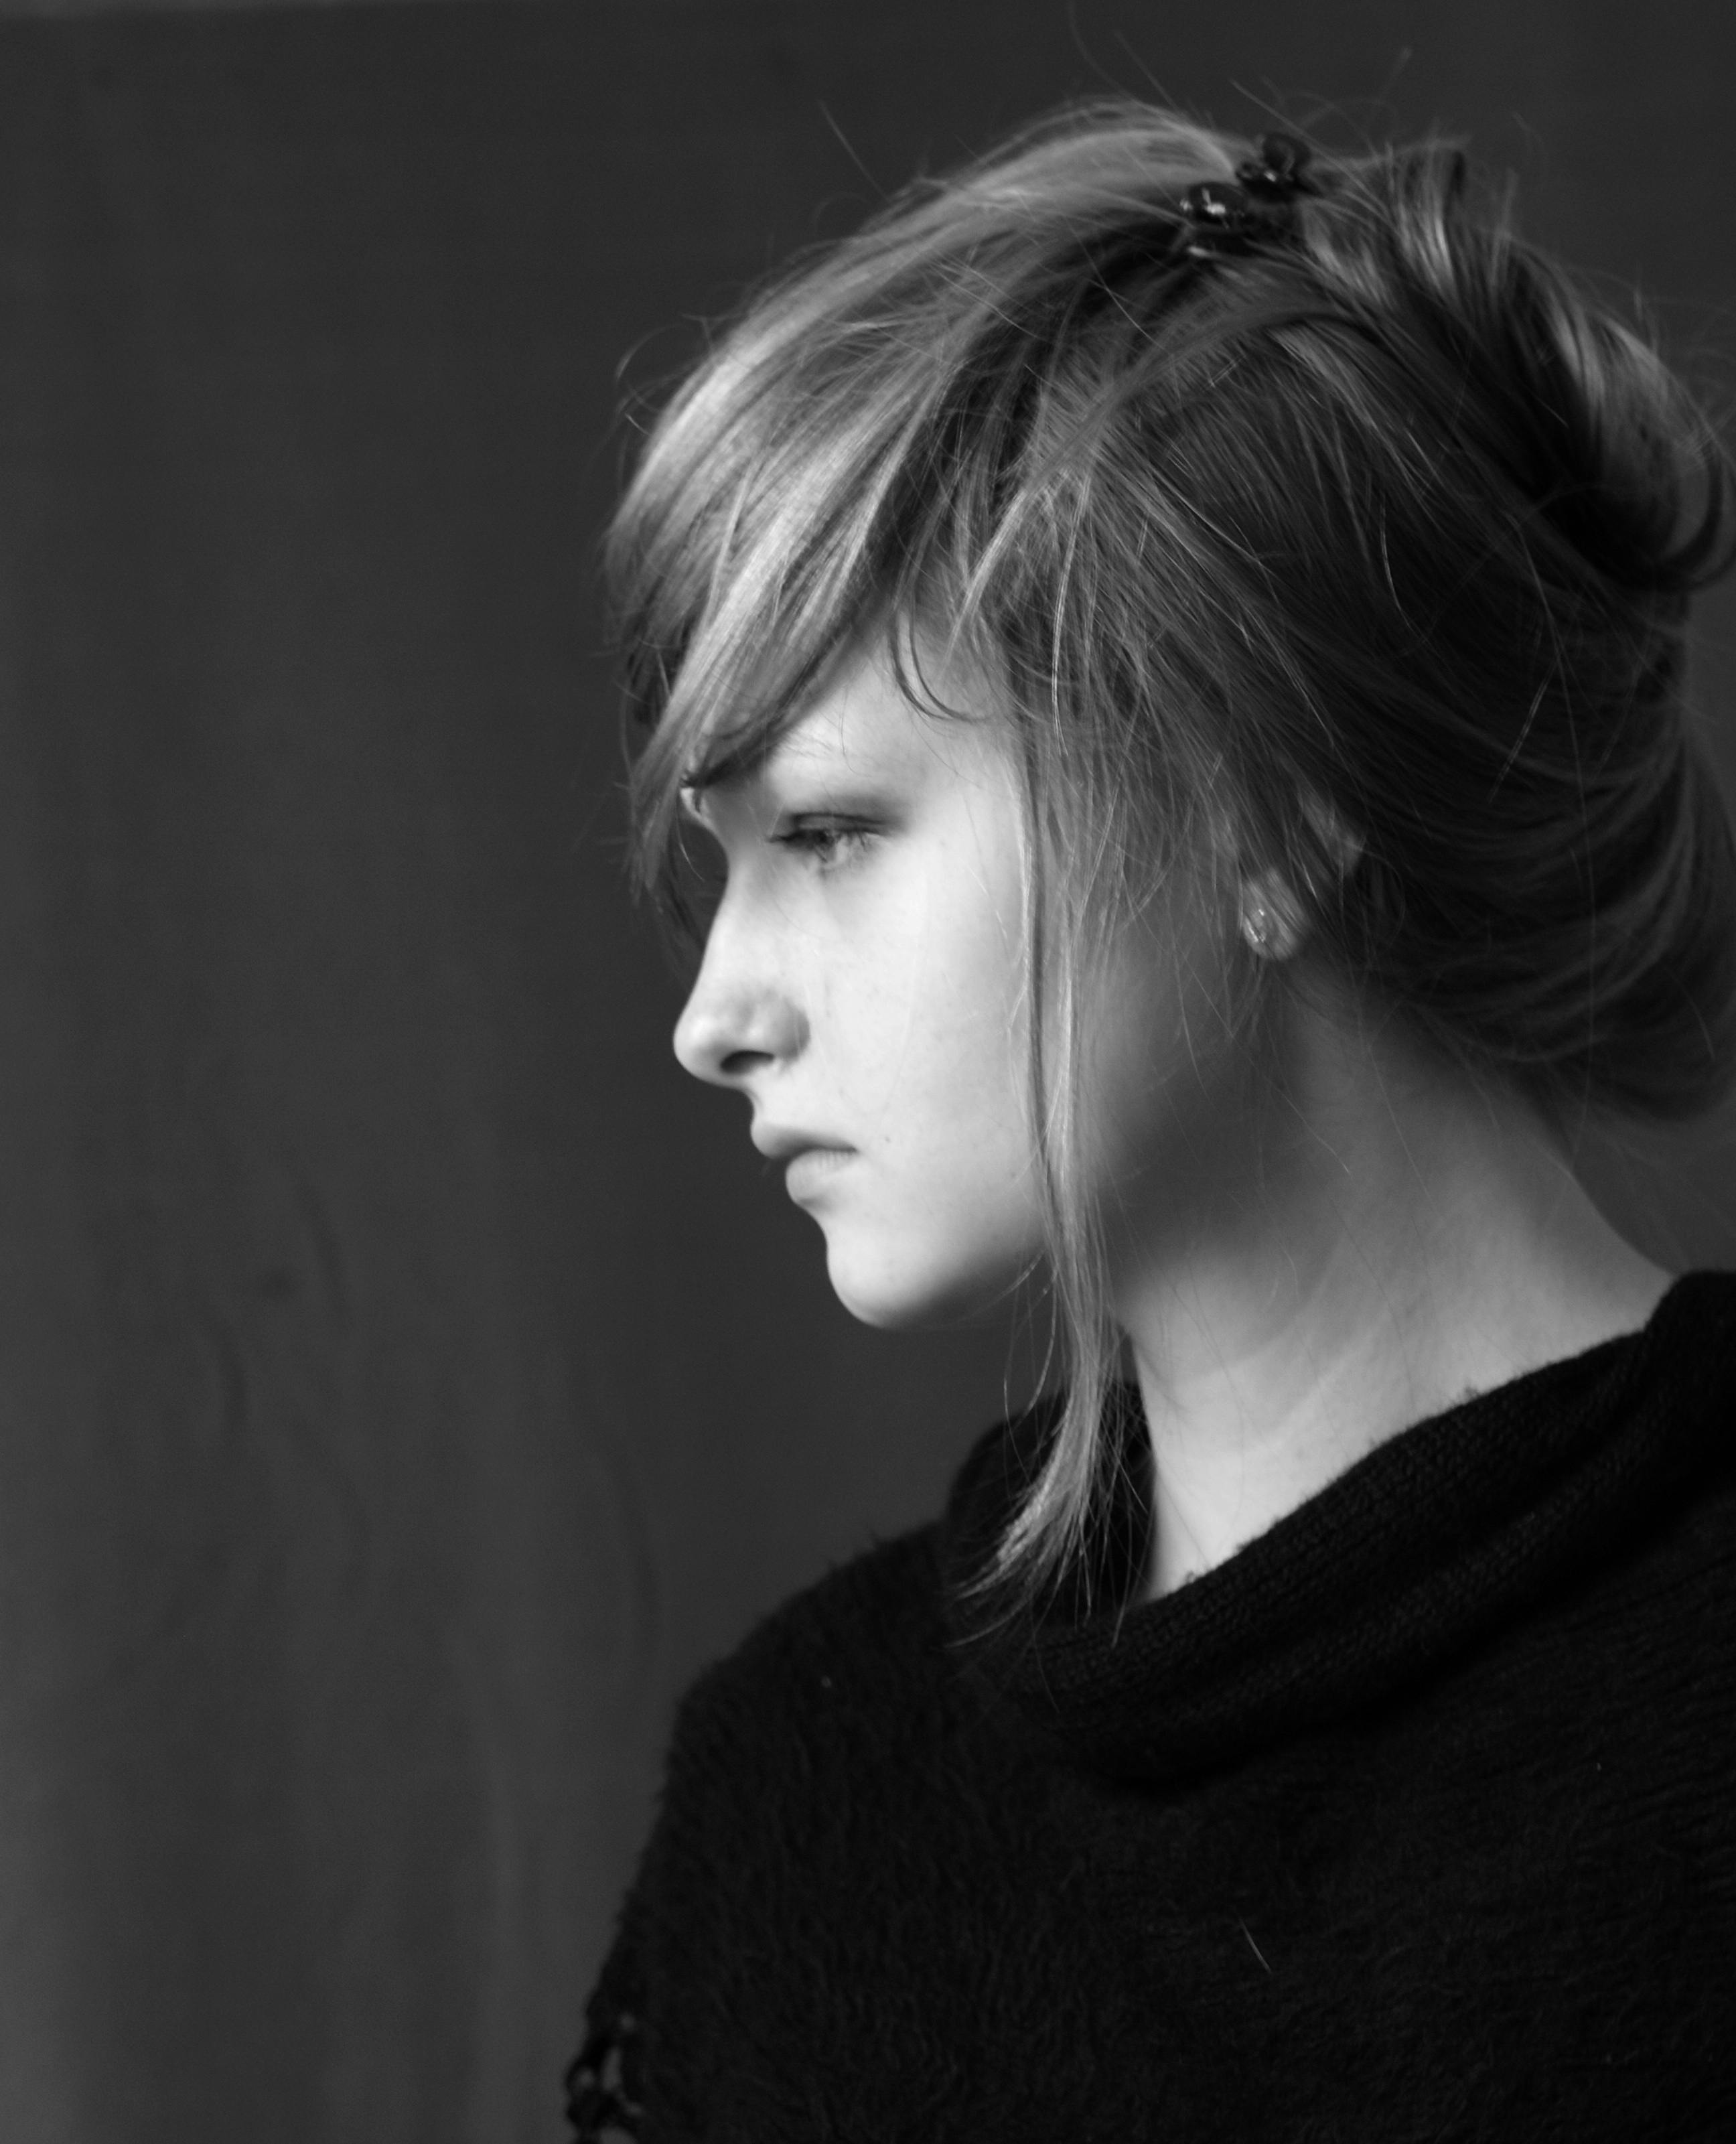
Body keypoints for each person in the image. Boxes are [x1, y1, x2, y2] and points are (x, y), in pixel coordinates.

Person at [568, 100, 1736, 2141]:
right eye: (724, 858)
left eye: (831, 832)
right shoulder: (804, 1803)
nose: (713, 1013)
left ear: (1270, 796)